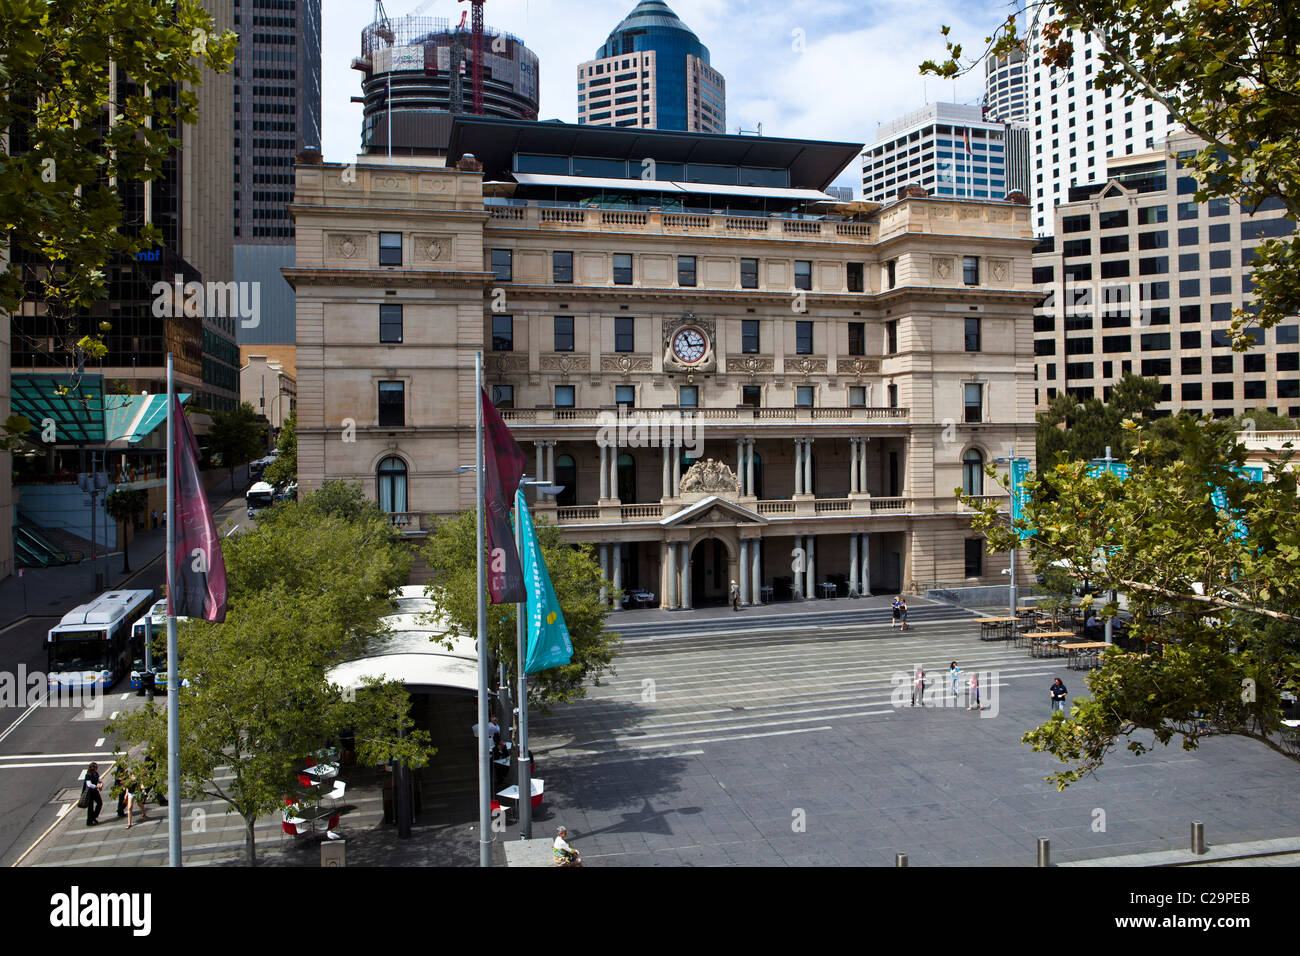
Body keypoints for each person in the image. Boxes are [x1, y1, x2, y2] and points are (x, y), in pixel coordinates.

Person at [84, 762, 103, 826]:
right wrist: (96, 786)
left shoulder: (96, 773)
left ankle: (94, 817)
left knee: (100, 803)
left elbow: (98, 780)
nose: (97, 768)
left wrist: (101, 783)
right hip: (89, 792)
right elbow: (89, 784)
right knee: (90, 807)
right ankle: (89, 821)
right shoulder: (88, 775)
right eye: (96, 767)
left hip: (94, 791)